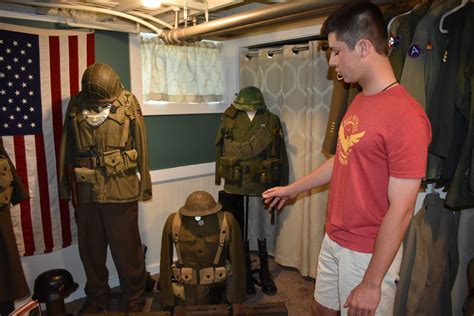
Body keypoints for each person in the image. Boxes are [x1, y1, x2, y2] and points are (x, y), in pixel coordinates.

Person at [262, 1, 432, 316]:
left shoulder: (406, 116)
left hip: (367, 253)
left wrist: (372, 282)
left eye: (337, 51)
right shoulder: (360, 100)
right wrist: (293, 188)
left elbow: (403, 207)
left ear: (364, 47)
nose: (332, 61)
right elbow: (343, 160)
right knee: (320, 309)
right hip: (335, 238)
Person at [59, 63, 152, 312]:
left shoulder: (129, 102)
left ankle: (134, 298)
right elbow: (66, 145)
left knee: (127, 250)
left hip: (120, 188)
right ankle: (97, 297)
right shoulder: (77, 104)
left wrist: (145, 186)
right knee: (91, 251)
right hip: (86, 190)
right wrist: (64, 186)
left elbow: (141, 142)